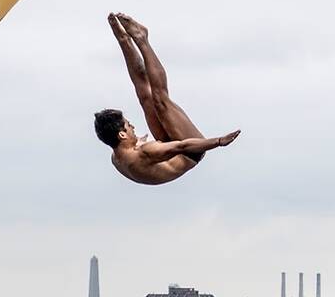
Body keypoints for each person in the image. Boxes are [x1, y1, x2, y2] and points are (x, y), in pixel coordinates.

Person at [96, 13, 239, 185]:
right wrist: (218, 141)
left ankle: (124, 40)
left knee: (144, 95)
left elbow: (136, 155)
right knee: (160, 100)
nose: (132, 126)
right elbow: (182, 147)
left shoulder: (117, 156)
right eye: (128, 125)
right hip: (191, 151)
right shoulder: (146, 152)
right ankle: (142, 38)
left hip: (164, 149)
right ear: (122, 134)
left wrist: (138, 141)